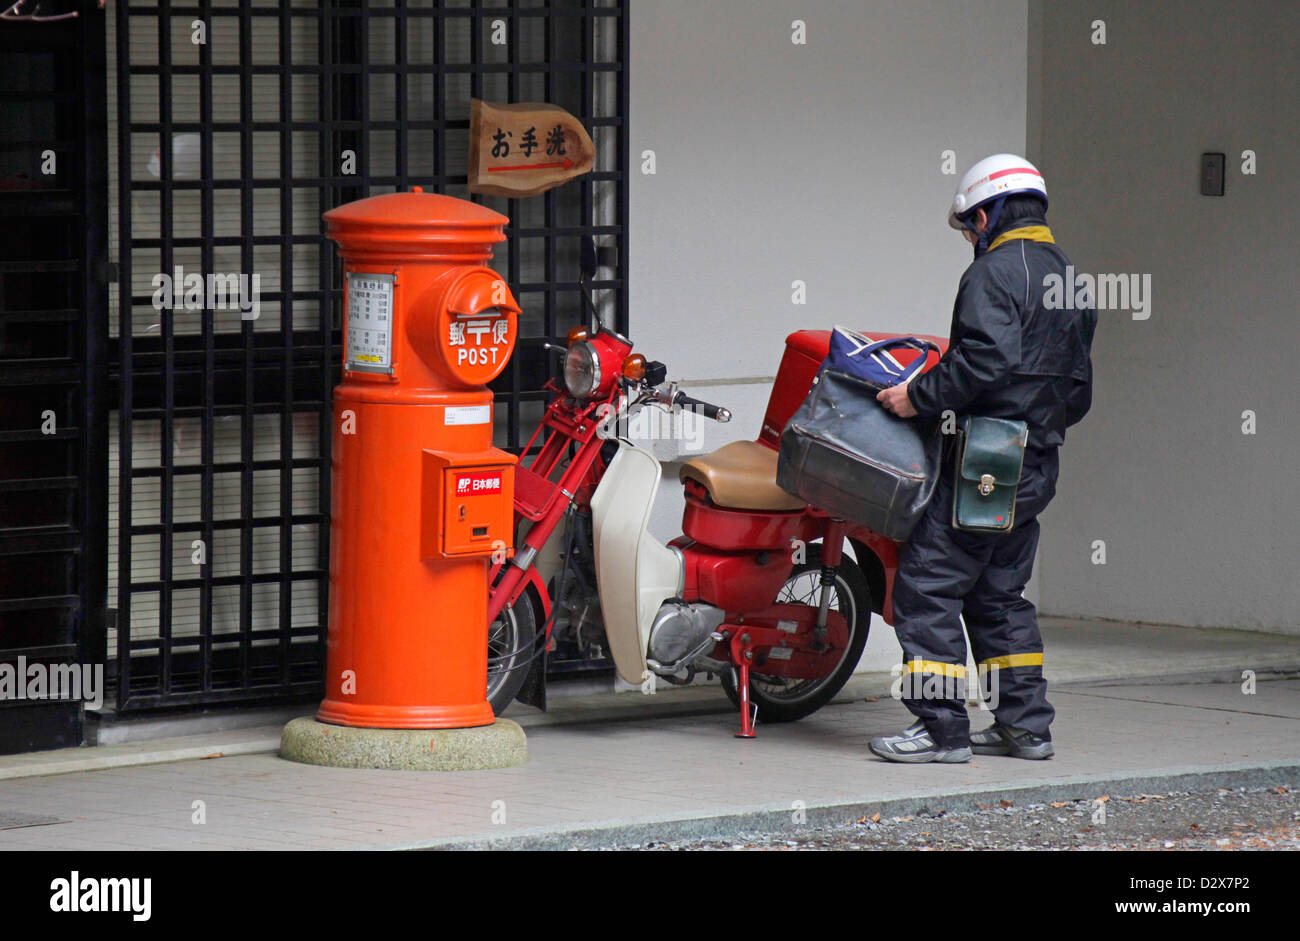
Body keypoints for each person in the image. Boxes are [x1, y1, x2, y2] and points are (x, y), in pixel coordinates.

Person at [871, 154, 1097, 763]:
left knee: (927, 586)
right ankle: (1026, 728)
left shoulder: (994, 274)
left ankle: (940, 730)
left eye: (970, 225)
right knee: (999, 595)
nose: (971, 237)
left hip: (986, 462)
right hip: (1039, 460)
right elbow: (1079, 391)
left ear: (989, 212)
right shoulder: (1071, 277)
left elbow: (982, 362)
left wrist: (914, 397)